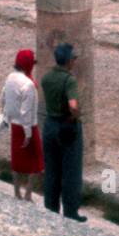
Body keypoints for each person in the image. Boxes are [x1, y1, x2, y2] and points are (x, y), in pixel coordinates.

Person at [41, 42, 86, 222]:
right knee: (71, 172)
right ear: (68, 61)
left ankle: (50, 208)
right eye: (73, 58)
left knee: (52, 170)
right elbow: (73, 105)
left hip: (49, 125)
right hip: (66, 127)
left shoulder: (46, 78)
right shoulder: (70, 80)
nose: (75, 61)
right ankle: (70, 212)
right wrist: (74, 117)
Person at [1, 48, 43, 200]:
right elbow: (26, 112)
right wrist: (28, 133)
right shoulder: (29, 84)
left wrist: (6, 114)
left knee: (17, 160)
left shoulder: (10, 77)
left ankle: (16, 192)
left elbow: (3, 96)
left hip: (14, 124)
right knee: (36, 162)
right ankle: (28, 194)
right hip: (28, 127)